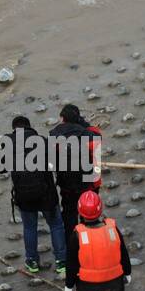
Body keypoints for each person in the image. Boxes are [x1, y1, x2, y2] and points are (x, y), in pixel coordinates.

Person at [0, 116, 66, 276]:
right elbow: (55, 162)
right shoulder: (41, 141)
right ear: (29, 126)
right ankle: (61, 262)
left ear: (14, 129)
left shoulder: (8, 144)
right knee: (56, 225)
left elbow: (0, 168)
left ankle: (32, 261)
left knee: (29, 227)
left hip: (24, 195)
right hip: (46, 193)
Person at [64, 191, 130, 291]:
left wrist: (69, 285)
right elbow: (123, 251)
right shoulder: (112, 228)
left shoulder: (77, 235)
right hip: (115, 283)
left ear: (80, 211)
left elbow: (72, 264)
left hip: (88, 287)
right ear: (100, 210)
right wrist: (127, 272)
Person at [50, 103, 102, 242]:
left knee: (69, 212)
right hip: (87, 182)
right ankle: (88, 237)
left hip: (66, 182)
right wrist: (84, 123)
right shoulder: (87, 134)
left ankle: (72, 239)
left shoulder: (53, 134)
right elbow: (97, 138)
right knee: (87, 212)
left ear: (62, 118)